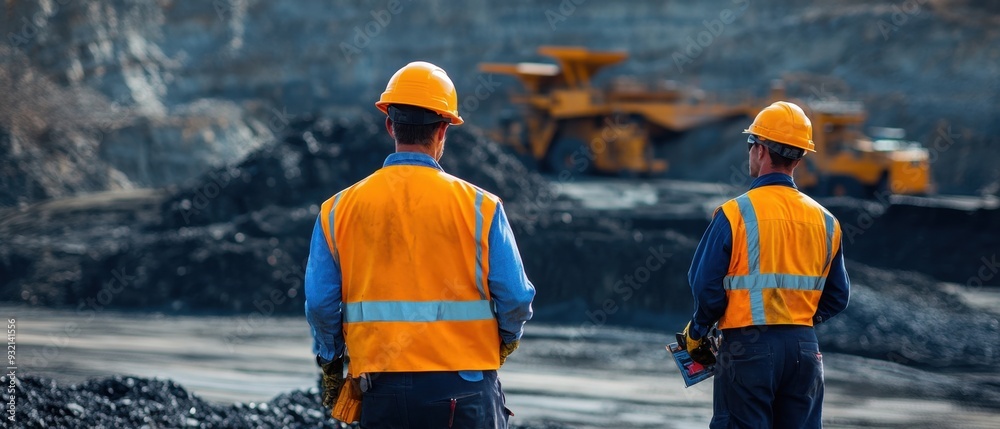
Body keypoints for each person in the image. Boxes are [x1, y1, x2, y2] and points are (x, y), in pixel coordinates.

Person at [304, 61, 535, 428]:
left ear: (389, 125)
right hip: (466, 387)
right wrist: (504, 340)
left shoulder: (337, 210)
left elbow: (320, 304)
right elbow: (516, 299)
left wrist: (331, 360)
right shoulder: (481, 207)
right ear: (443, 129)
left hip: (382, 391)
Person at [683, 101, 850, 428]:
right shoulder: (827, 221)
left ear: (759, 150)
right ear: (800, 157)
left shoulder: (736, 213)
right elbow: (838, 297)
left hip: (748, 348)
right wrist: (796, 322)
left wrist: (700, 331)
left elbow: (704, 285)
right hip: (805, 349)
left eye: (751, 145)